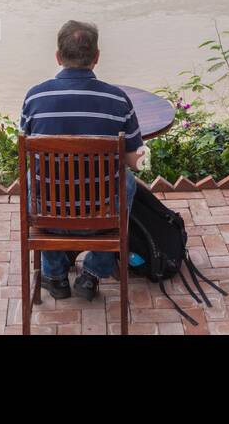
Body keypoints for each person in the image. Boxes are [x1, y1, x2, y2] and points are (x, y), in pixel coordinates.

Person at [20, 20, 144, 302]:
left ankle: (54, 276)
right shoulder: (118, 100)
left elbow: (29, 149)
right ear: (96, 57)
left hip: (47, 216)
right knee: (127, 181)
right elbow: (136, 160)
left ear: (58, 57)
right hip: (100, 217)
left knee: (34, 178)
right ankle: (91, 274)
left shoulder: (35, 97)